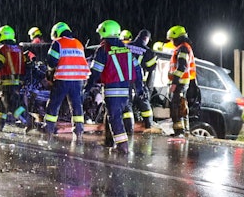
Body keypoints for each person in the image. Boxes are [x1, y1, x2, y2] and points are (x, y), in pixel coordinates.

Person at [87, 20, 138, 153]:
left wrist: (87, 88)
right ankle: (109, 140)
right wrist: (139, 89)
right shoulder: (127, 49)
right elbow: (137, 70)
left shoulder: (104, 49)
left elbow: (95, 72)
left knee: (114, 117)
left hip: (112, 89)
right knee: (114, 115)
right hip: (126, 89)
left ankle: (122, 146)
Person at [43, 22, 90, 137]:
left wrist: (50, 69)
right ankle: (79, 128)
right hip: (78, 80)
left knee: (54, 103)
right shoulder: (78, 43)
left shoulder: (58, 43)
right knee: (76, 104)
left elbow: (51, 62)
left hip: (63, 78)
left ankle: (49, 126)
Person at [0, 25, 26, 131]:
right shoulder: (18, 49)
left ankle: (29, 121)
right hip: (17, 82)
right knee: (1, 104)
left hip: (7, 83)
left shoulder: (2, 49)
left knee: (11, 106)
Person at [166, 25, 198, 137]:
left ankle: (179, 131)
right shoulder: (185, 47)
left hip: (180, 83)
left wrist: (174, 82)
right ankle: (185, 131)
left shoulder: (183, 48)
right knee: (182, 106)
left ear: (177, 37)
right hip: (183, 82)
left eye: (172, 39)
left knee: (177, 106)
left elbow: (181, 67)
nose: (172, 42)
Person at [128, 29, 159, 131]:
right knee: (144, 104)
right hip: (138, 81)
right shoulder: (148, 51)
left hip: (124, 80)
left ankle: (128, 128)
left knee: (127, 104)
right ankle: (149, 126)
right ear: (146, 39)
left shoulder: (126, 46)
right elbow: (151, 68)